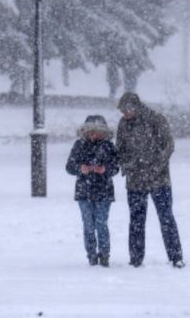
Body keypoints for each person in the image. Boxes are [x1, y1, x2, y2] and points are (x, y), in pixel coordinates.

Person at [116, 92, 185, 268]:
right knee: (136, 220)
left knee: (166, 218)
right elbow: (120, 150)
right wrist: (127, 164)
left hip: (159, 179)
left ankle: (176, 256)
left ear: (135, 107)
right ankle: (136, 259)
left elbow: (168, 146)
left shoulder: (156, 119)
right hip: (135, 180)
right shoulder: (123, 124)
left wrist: (155, 166)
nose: (124, 114)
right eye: (122, 110)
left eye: (127, 109)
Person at [65, 114, 119, 267]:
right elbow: (69, 167)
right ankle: (91, 255)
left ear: (104, 132)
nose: (94, 135)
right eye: (91, 131)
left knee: (101, 223)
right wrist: (80, 168)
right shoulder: (79, 145)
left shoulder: (109, 147)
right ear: (85, 131)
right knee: (88, 225)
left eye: (98, 131)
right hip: (84, 192)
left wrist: (105, 169)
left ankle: (104, 254)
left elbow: (116, 167)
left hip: (104, 191)